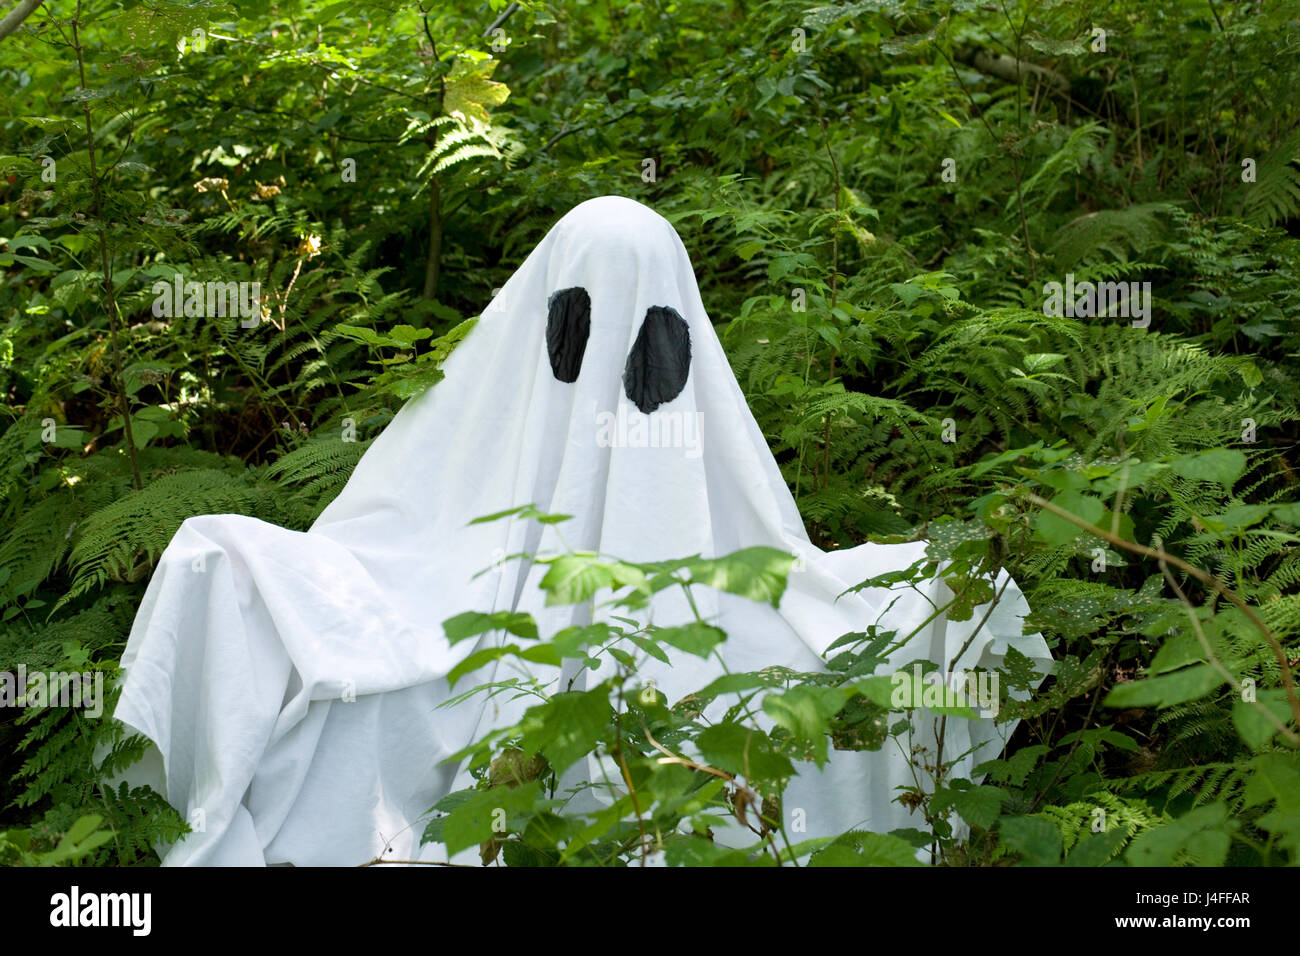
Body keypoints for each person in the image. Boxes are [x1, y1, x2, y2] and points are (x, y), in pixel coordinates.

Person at [109, 195, 1052, 865]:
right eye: (582, 320)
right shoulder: (495, 405)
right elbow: (406, 529)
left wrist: (942, 590)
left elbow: (755, 553)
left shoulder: (663, 422)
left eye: (641, 326)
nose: (605, 361)